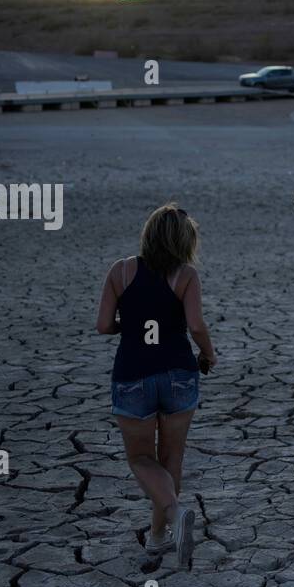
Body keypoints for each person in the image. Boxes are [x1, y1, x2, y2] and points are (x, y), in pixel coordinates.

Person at [96, 203, 217, 568]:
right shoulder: (186, 276)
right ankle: (160, 534)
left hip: (133, 376)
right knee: (171, 458)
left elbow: (103, 325)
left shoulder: (122, 270)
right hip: (179, 373)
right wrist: (208, 354)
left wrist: (128, 328)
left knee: (141, 458)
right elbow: (196, 325)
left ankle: (171, 521)